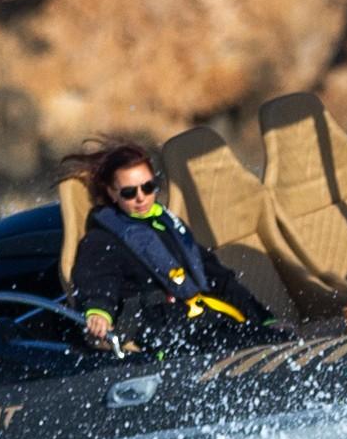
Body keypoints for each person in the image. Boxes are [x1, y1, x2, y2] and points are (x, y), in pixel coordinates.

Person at [54, 135, 273, 345]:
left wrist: (264, 318)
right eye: (129, 192)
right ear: (112, 193)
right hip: (162, 332)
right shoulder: (102, 240)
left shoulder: (168, 226)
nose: (141, 197)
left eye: (148, 187)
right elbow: (98, 279)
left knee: (271, 338)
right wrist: (98, 311)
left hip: (202, 319)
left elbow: (217, 277)